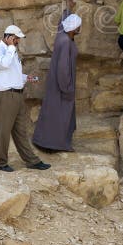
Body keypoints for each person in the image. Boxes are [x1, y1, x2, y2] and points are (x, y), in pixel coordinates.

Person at [0, 25, 50, 172]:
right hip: (4, 96)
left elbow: (11, 73)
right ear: (9, 37)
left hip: (16, 95)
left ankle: (32, 161)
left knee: (20, 130)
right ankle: (0, 162)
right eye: (16, 39)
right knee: (3, 131)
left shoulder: (12, 52)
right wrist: (10, 47)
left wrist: (26, 78)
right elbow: (4, 64)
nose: (18, 42)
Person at [32, 9, 82, 153]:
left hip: (55, 84)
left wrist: (68, 9)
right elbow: (63, 68)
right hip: (62, 85)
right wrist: (66, 88)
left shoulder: (62, 35)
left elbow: (62, 24)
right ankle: (55, 145)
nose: (80, 28)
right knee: (60, 115)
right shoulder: (66, 43)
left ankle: (42, 141)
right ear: (73, 28)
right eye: (78, 26)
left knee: (51, 112)